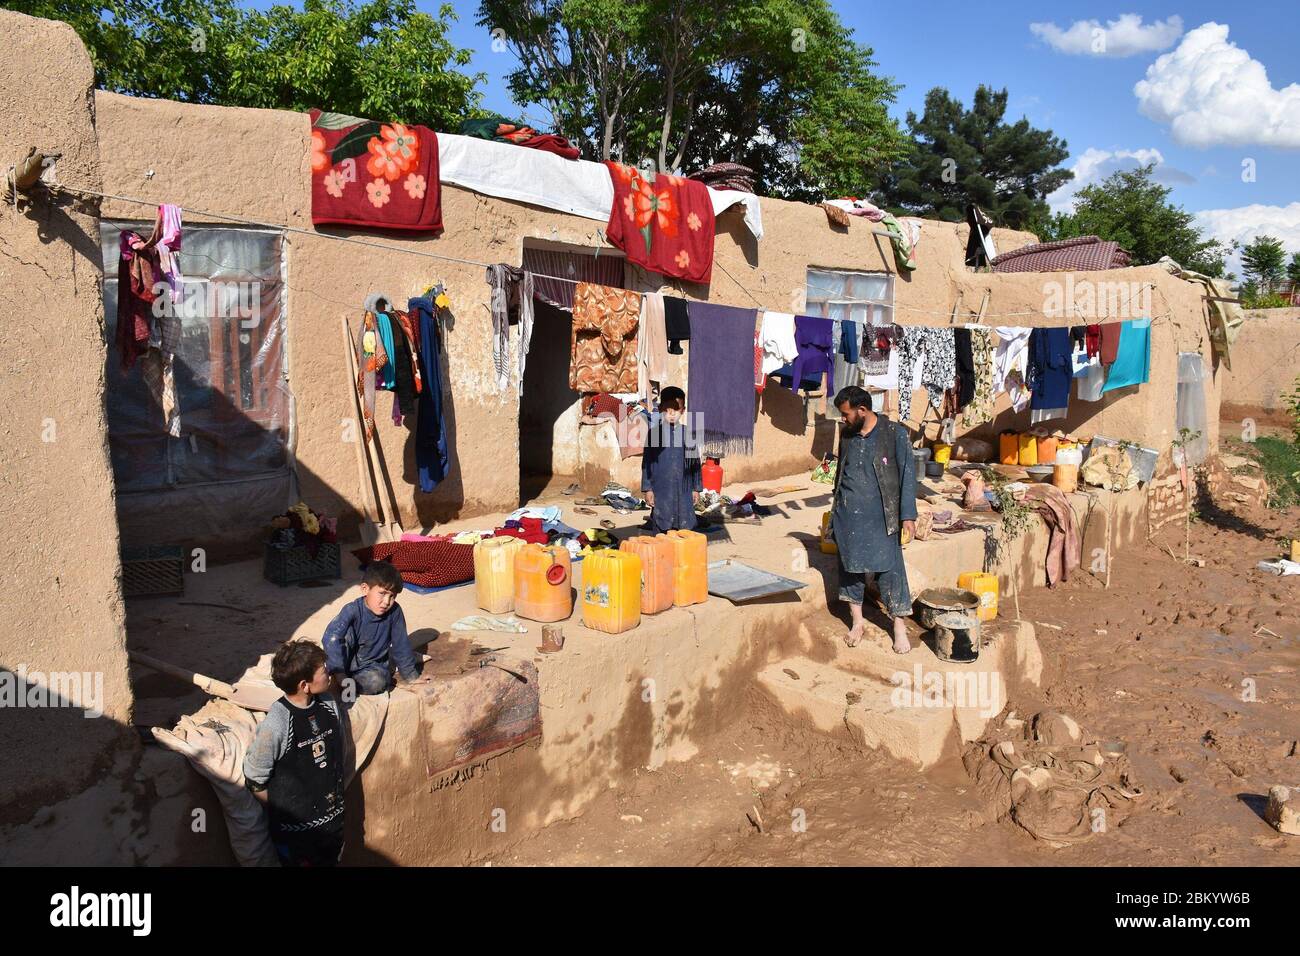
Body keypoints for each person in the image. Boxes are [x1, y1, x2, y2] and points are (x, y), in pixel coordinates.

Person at [829, 385, 917, 653]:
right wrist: (835, 509)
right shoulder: (847, 435)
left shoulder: (895, 434)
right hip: (848, 515)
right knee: (850, 568)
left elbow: (907, 476)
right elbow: (840, 472)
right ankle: (857, 622)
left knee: (890, 569)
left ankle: (899, 627)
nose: (843, 419)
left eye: (846, 414)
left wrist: (908, 516)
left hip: (882, 516)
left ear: (863, 410)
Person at [243, 640, 347, 866]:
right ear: (304, 685)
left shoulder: (328, 704)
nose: (329, 673)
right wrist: (285, 808)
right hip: (296, 838)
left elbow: (339, 751)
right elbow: (254, 778)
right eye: (323, 670)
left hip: (333, 824)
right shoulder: (277, 723)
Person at [322, 560, 425, 696]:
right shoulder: (352, 610)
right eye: (382, 593)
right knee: (340, 635)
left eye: (392, 596)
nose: (387, 602)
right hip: (346, 663)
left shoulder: (395, 612)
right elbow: (331, 637)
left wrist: (411, 676)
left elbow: (401, 644)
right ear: (365, 589)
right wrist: (339, 672)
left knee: (377, 682)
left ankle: (352, 683)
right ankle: (340, 676)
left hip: (373, 666)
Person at [640, 386, 703, 532]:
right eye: (667, 409)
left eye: (676, 409)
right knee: (661, 526)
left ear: (683, 410)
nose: (671, 414)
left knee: (685, 529)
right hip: (661, 490)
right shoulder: (654, 434)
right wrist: (647, 489)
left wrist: (696, 488)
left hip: (685, 490)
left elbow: (695, 464)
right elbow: (646, 464)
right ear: (661, 408)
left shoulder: (688, 434)